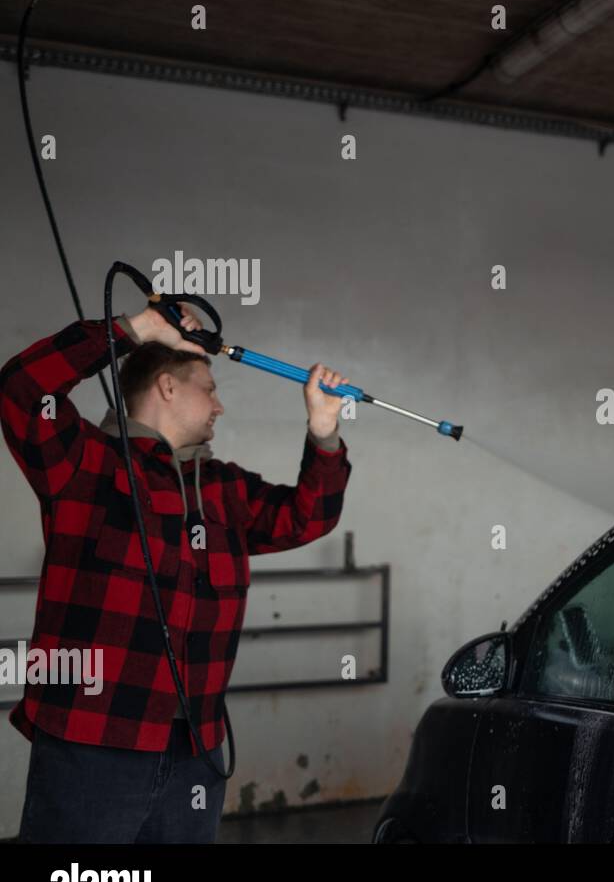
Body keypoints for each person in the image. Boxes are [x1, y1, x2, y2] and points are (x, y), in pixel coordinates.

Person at [0, 304, 353, 842]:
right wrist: (135, 329)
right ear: (166, 386)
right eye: (209, 389)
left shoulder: (222, 487)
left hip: (196, 749)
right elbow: (21, 388)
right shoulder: (85, 464)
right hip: (94, 743)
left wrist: (324, 431)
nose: (221, 406)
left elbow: (308, 517)